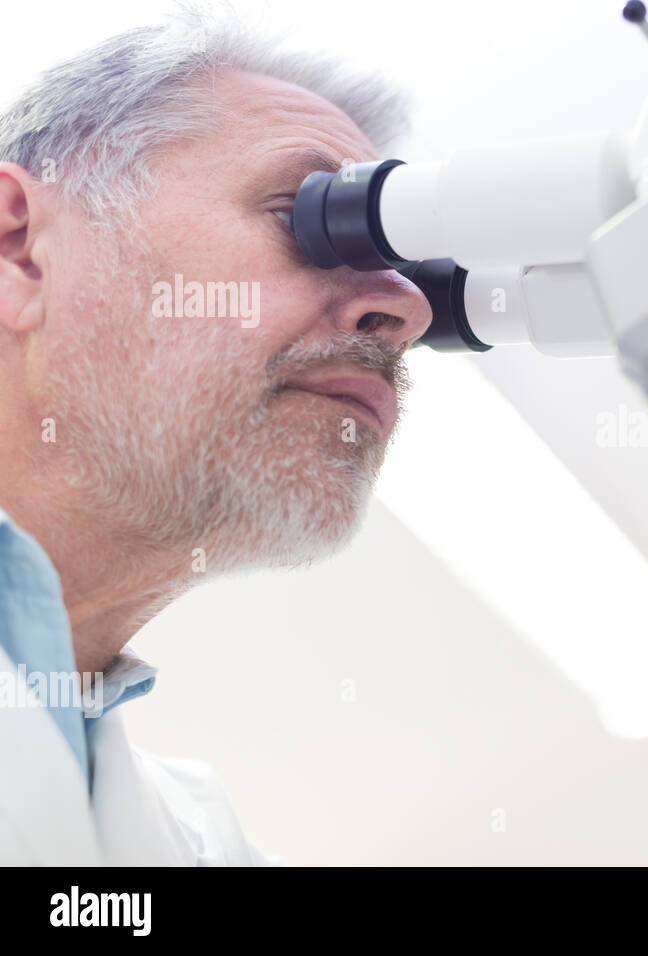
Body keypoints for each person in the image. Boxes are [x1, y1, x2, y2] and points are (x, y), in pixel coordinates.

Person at [0, 9, 431, 863]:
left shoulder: (201, 844)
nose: (407, 310)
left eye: (406, 266)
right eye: (308, 216)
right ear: (20, 249)